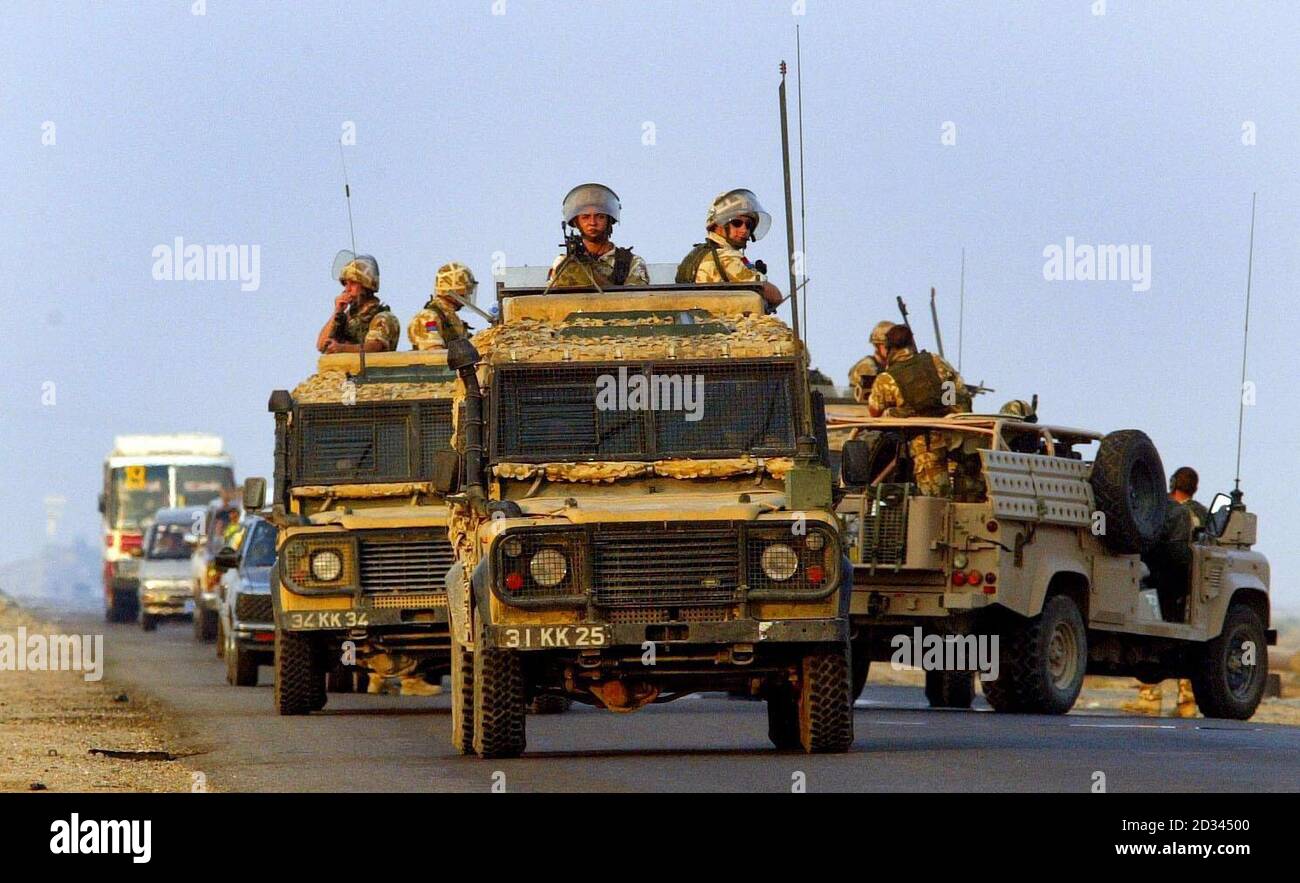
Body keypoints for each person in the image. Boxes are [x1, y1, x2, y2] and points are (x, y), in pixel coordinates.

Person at [867, 324, 969, 495]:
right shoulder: (935, 361)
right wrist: (943, 411)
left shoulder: (886, 378)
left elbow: (874, 412)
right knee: (961, 496)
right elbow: (955, 391)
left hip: (925, 446)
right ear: (912, 342)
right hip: (956, 438)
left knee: (933, 503)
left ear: (888, 348)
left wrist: (897, 412)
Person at [676, 189, 783, 308]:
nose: (744, 230)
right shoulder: (726, 257)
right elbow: (775, 296)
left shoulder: (700, 252)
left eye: (749, 225)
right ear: (719, 225)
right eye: (737, 223)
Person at [549, 183, 649, 288]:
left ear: (609, 220)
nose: (592, 222)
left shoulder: (631, 263)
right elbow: (549, 300)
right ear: (576, 222)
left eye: (600, 217)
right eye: (585, 217)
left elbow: (635, 300)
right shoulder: (563, 263)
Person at [315, 254, 400, 354]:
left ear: (366, 286)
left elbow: (374, 347)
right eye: (346, 284)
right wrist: (337, 311)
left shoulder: (382, 317)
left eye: (353, 283)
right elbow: (321, 345)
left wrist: (342, 348)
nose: (347, 289)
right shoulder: (347, 318)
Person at [409, 261, 476, 350]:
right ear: (457, 292)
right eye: (466, 291)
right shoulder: (428, 317)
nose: (469, 294)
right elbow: (434, 356)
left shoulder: (452, 319)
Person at [848, 321, 895, 402]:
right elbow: (872, 401)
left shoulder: (890, 366)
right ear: (877, 345)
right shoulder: (867, 367)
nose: (895, 349)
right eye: (889, 346)